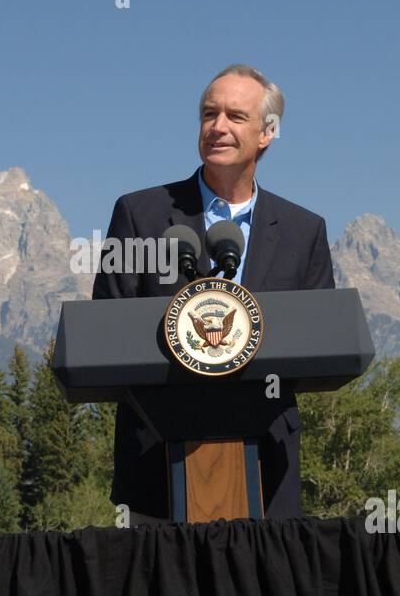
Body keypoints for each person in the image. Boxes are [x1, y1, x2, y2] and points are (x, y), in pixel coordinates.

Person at [91, 64, 334, 523]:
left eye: (235, 116)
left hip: (267, 464)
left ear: (267, 133)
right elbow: (105, 329)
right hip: (157, 464)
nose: (217, 127)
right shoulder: (139, 215)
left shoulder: (304, 231)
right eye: (209, 114)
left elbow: (320, 342)